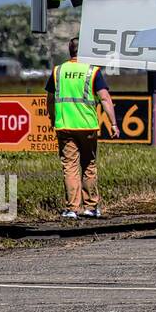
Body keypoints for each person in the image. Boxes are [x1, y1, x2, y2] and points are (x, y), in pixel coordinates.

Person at [45, 38, 118, 219]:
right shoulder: (92, 72)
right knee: (89, 165)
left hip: (65, 126)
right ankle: (91, 207)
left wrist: (53, 118)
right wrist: (113, 123)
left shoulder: (58, 71)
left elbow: (50, 99)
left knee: (70, 167)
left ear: (70, 51)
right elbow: (105, 98)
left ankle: (72, 208)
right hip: (87, 126)